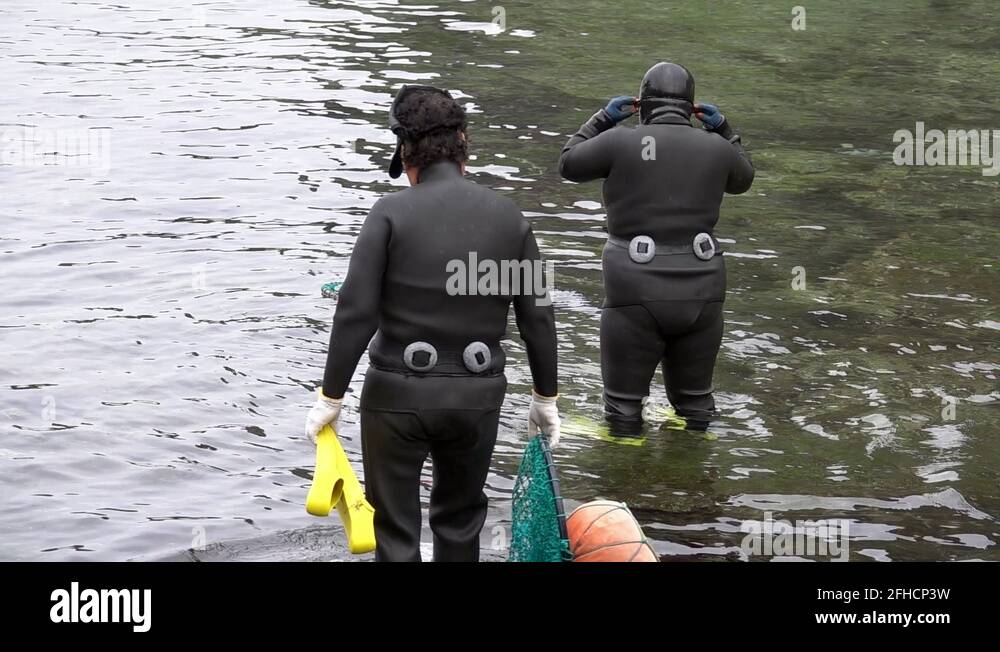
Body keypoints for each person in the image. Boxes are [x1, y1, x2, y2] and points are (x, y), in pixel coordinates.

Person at [304, 85, 561, 562]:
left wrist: (330, 396)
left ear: (405, 152)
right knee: (460, 522)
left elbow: (355, 311)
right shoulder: (511, 218)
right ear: (463, 143)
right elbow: (539, 318)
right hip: (477, 397)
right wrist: (546, 398)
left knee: (394, 528)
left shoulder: (389, 214)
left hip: (398, 397)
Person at [558, 62, 754, 433]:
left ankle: (627, 467)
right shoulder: (717, 148)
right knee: (696, 403)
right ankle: (695, 474)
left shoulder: (619, 142)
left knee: (623, 407)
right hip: (703, 285)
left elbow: (568, 163)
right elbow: (744, 178)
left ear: (641, 105)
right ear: (693, 109)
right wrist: (725, 130)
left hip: (634, 287)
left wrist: (601, 119)